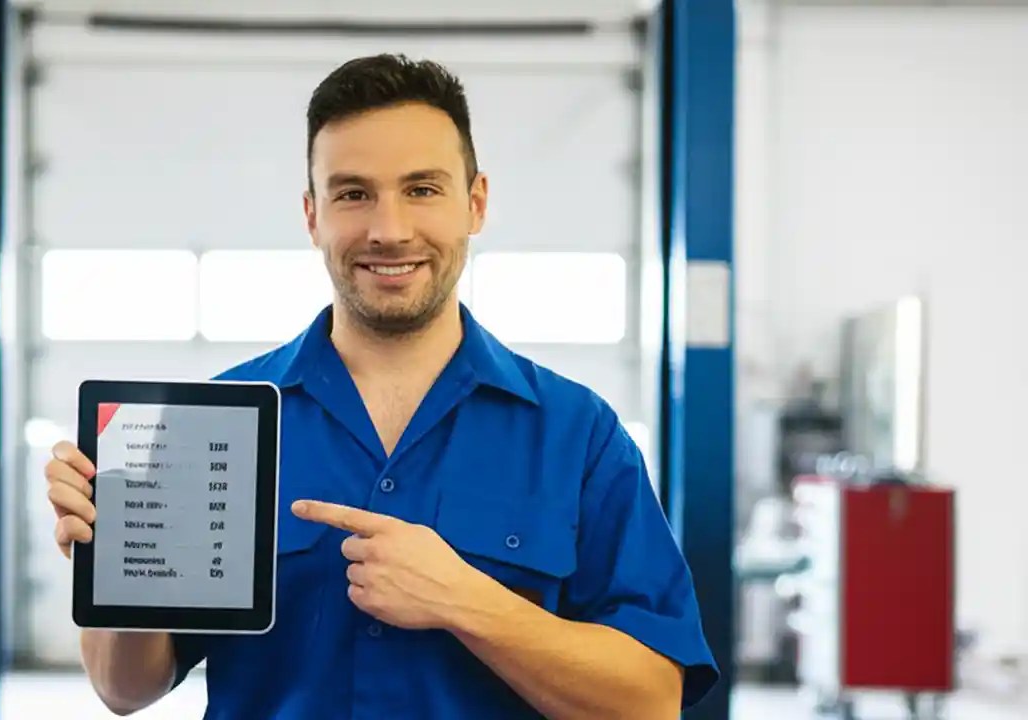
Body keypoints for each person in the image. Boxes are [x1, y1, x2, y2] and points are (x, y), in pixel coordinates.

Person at [45, 53, 718, 719]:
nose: (389, 231)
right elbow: (126, 690)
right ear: (312, 215)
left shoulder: (577, 434)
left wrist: (463, 600)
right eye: (353, 193)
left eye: (422, 190)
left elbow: (649, 702)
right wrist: (115, 560)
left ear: (475, 203)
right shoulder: (210, 426)